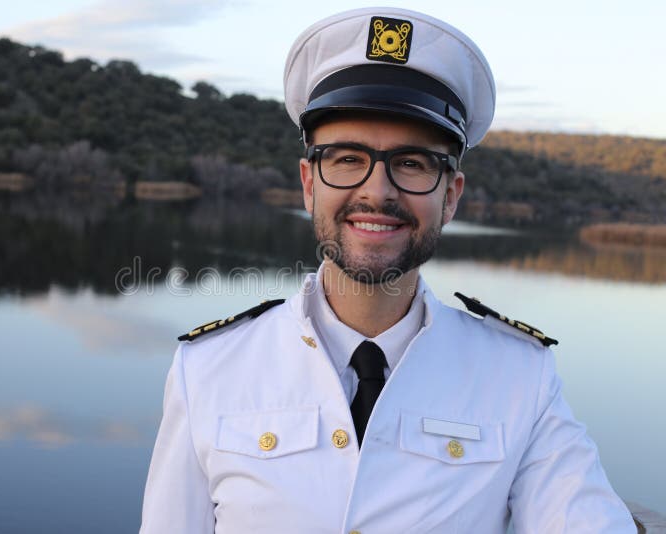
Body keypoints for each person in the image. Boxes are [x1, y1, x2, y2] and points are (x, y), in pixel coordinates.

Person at [140, 7, 635, 533]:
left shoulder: (519, 378)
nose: (377, 191)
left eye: (412, 163)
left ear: (451, 196)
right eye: (348, 158)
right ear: (309, 183)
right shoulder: (210, 369)